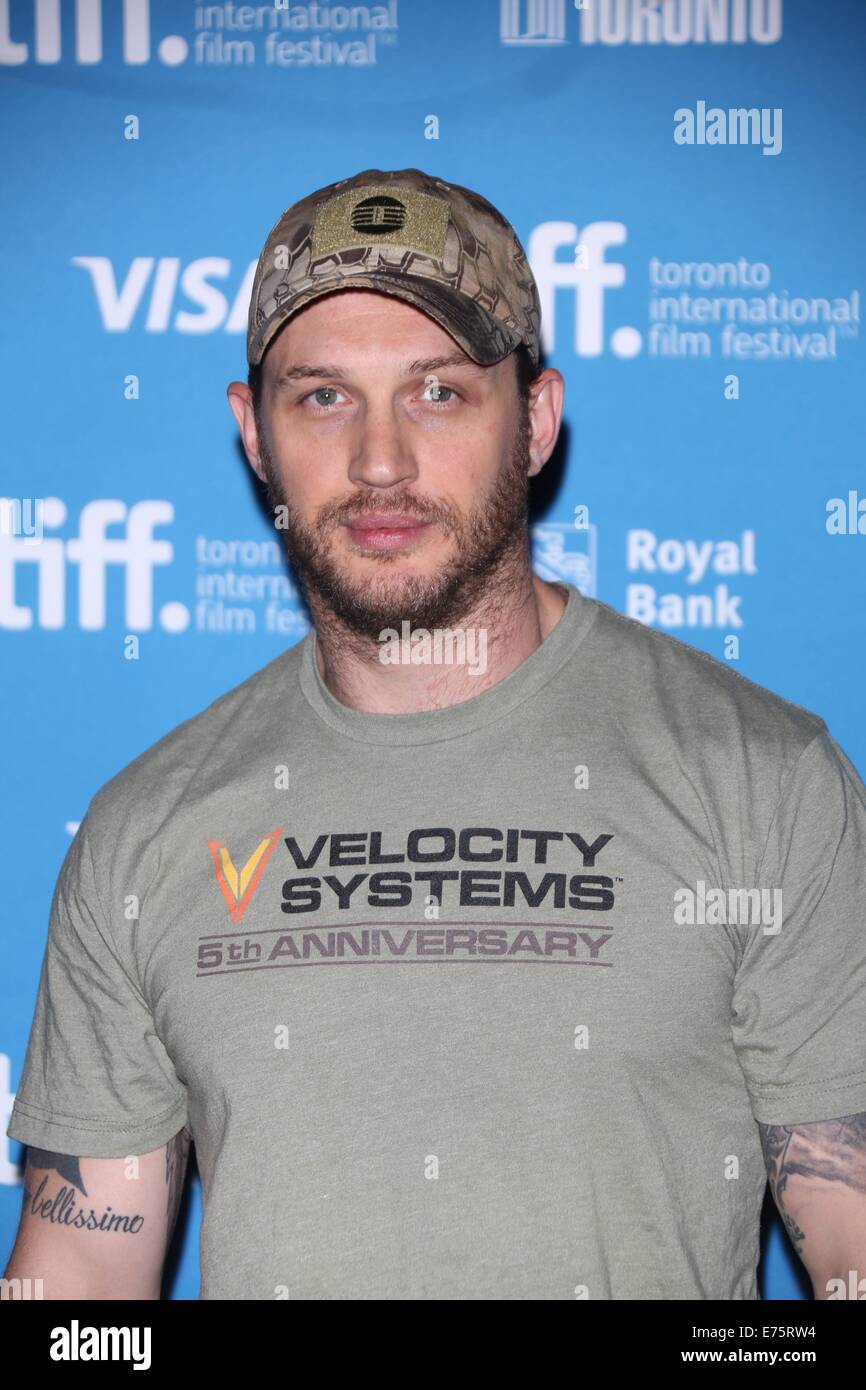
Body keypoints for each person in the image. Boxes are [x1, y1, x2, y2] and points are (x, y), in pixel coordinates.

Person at [4, 168, 865, 1301]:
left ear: (537, 420)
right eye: (321, 397)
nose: (378, 462)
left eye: (439, 393)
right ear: (250, 432)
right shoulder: (147, 828)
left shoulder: (759, 779)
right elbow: (82, 1287)